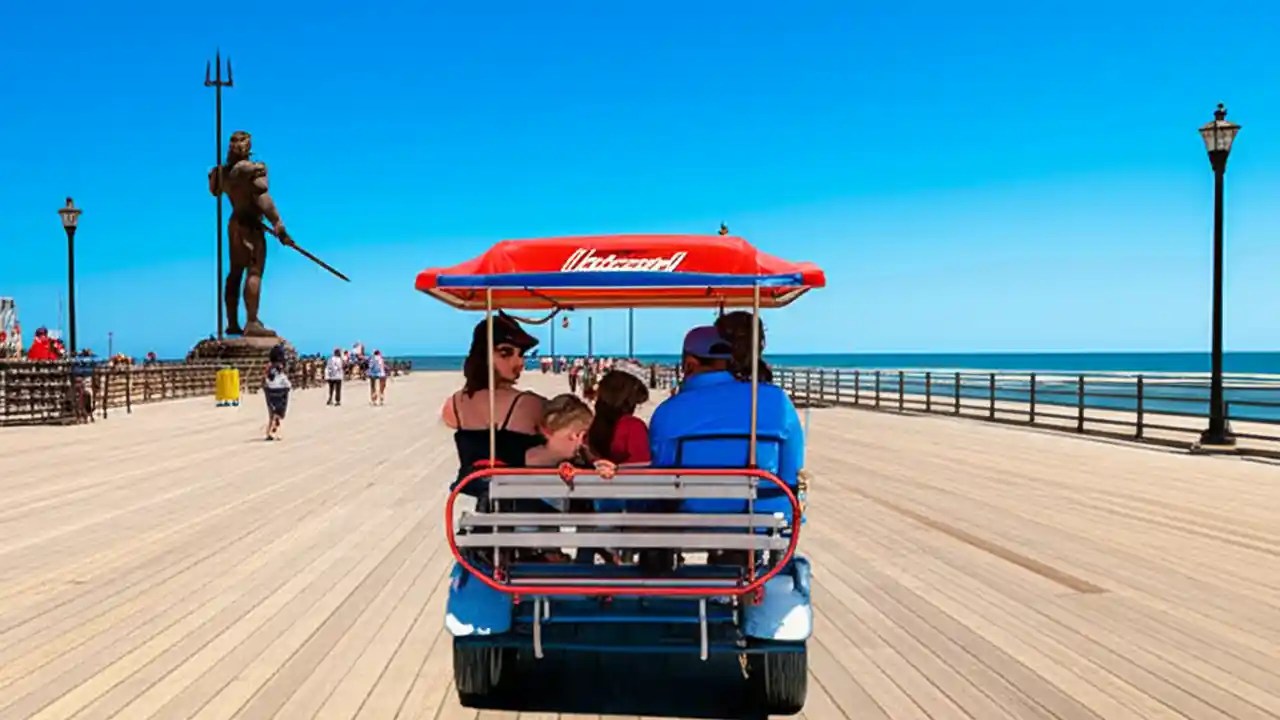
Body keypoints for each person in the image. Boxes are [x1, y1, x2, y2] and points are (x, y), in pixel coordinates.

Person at [648, 323, 804, 517]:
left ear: (689, 364)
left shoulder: (668, 411)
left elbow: (661, 474)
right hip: (762, 519)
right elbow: (792, 468)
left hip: (689, 520)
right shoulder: (777, 401)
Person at [442, 312, 547, 499]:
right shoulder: (530, 404)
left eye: (521, 354)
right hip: (528, 504)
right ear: (483, 355)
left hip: (483, 504)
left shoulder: (455, 404)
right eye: (505, 353)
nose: (519, 363)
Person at [262, 344, 292, 440]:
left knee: (272, 412)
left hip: (269, 390)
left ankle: (269, 432)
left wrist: (265, 387)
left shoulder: (269, 366)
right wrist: (288, 386)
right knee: (279, 412)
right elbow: (283, 378)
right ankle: (274, 431)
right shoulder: (281, 366)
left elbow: (265, 378)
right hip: (281, 389)